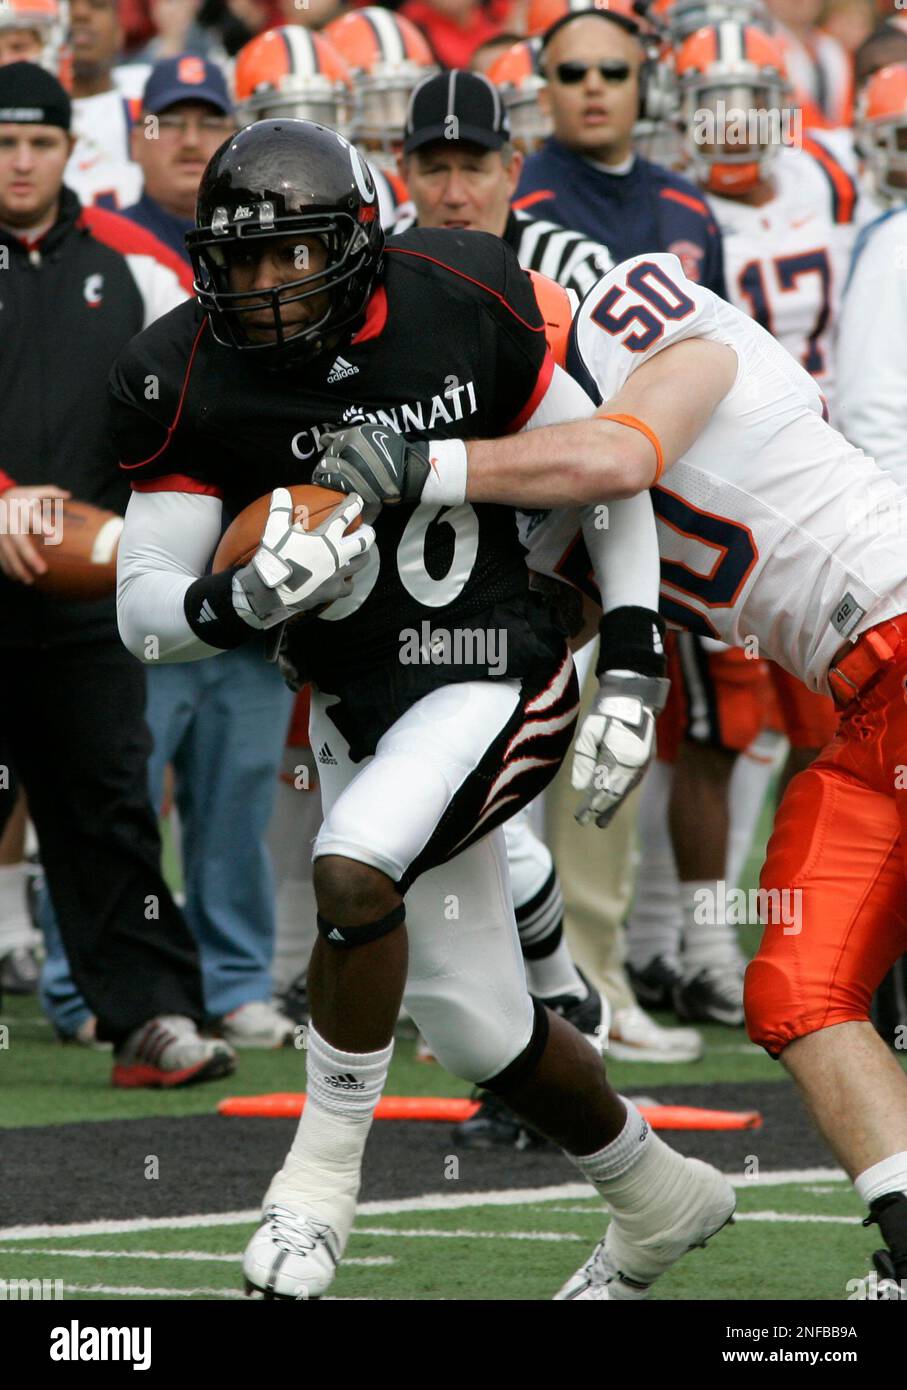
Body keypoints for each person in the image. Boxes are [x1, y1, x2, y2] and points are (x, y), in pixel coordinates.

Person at [110, 117, 736, 1301]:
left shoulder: (464, 292)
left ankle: (314, 1188)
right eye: (239, 259)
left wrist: (639, 656)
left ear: (354, 242)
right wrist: (237, 598)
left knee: (352, 867)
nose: (262, 286)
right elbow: (146, 615)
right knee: (474, 1023)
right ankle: (659, 1195)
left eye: (290, 255)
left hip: (498, 660)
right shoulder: (179, 366)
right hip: (358, 700)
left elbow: (602, 465)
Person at [324, 245, 907, 1296]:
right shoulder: (541, 460)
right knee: (798, 986)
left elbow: (625, 454)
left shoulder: (640, 313)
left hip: (898, 631)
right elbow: (536, 612)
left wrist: (425, 465)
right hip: (866, 708)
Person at [399, 68, 702, 1083]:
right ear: (404, 169)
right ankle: (545, 1001)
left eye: (471, 165)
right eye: (432, 166)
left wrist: (629, 639)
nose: (452, 188)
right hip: (409, 595)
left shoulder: (572, 278)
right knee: (441, 818)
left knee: (477, 805)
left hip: (548, 582)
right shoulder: (369, 281)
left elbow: (619, 462)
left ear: (510, 169)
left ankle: (561, 1000)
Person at [0, 61, 235, 1085]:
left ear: (70, 151)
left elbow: (200, 395)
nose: (20, 160)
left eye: (38, 142)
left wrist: (151, 531)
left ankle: (151, 1019)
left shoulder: (139, 262)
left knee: (110, 807)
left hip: (89, 588)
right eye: (3, 142)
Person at [625, 19, 853, 1025]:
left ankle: (782, 926)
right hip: (714, 493)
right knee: (713, 732)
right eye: (707, 96)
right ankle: (688, 940)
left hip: (819, 486)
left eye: (747, 95)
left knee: (821, 729)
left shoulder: (832, 183)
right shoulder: (663, 204)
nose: (729, 120)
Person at [514, 8, 727, 291]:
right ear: (544, 98)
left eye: (614, 71)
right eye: (572, 73)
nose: (593, 86)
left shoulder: (686, 204)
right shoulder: (515, 206)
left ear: (644, 90)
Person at [124, 54, 234, 254]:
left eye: (210, 124)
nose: (191, 141)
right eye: (169, 123)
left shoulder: (263, 240)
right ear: (136, 142)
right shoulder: (109, 244)